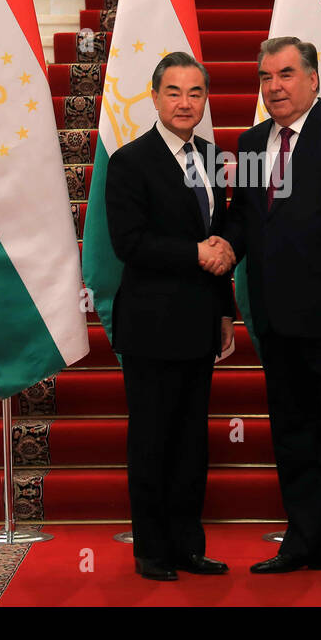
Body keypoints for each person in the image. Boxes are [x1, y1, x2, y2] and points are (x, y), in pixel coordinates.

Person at [216, 36, 321, 587]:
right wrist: (224, 246)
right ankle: (306, 542)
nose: (275, 87)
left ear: (314, 79)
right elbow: (245, 219)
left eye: (287, 75)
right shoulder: (248, 144)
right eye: (266, 78)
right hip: (274, 318)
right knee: (293, 436)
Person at [104, 51, 236, 582]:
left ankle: (188, 545)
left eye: (196, 93)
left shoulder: (212, 155)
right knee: (153, 439)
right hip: (151, 327)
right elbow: (128, 243)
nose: (185, 103)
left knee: (191, 441)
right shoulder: (129, 161)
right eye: (174, 92)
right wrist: (194, 254)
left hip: (201, 322)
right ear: (154, 97)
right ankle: (152, 551)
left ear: (205, 99)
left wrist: (226, 309)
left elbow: (219, 233)